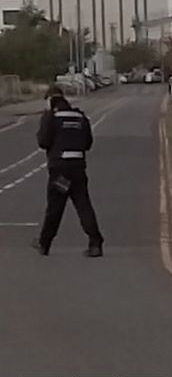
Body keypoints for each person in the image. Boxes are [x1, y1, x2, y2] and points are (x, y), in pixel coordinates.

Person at [31, 85, 104, 257]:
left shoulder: (53, 117)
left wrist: (48, 115)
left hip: (60, 171)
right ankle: (95, 243)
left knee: (55, 207)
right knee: (83, 205)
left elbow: (43, 141)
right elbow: (88, 144)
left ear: (49, 100)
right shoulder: (80, 117)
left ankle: (44, 243)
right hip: (78, 167)